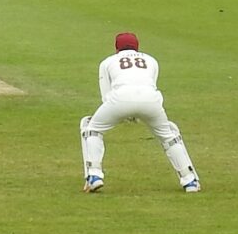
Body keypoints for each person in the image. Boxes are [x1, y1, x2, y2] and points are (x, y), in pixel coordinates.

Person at [80, 31, 200, 194]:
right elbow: (151, 85)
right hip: (151, 101)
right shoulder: (151, 60)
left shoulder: (107, 62)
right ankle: (190, 180)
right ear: (137, 46)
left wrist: (123, 114)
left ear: (116, 48)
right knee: (169, 136)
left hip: (119, 99)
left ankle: (94, 176)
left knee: (92, 128)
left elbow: (106, 95)